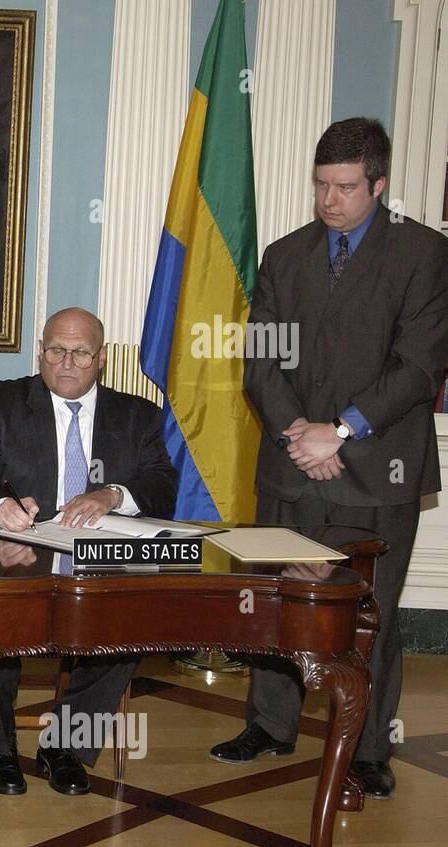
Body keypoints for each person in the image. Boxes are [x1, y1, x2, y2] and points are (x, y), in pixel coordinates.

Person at [218, 118, 448, 799]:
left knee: (370, 613)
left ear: (379, 184)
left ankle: (370, 747)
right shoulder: (285, 256)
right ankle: (268, 722)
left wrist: (339, 431)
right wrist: (298, 431)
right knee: (278, 599)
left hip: (378, 470)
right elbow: (262, 358)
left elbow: (418, 366)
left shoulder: (422, 255)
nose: (329, 201)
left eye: (346, 187)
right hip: (292, 462)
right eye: (320, 185)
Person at [0, 308, 177, 796]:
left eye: (80, 353)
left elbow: (162, 484)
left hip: (102, 558)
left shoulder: (138, 414)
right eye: (56, 351)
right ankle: (0, 744)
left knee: (128, 625)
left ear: (101, 359)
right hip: (16, 552)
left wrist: (112, 494)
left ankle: (66, 746)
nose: (67, 364)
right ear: (41, 351)